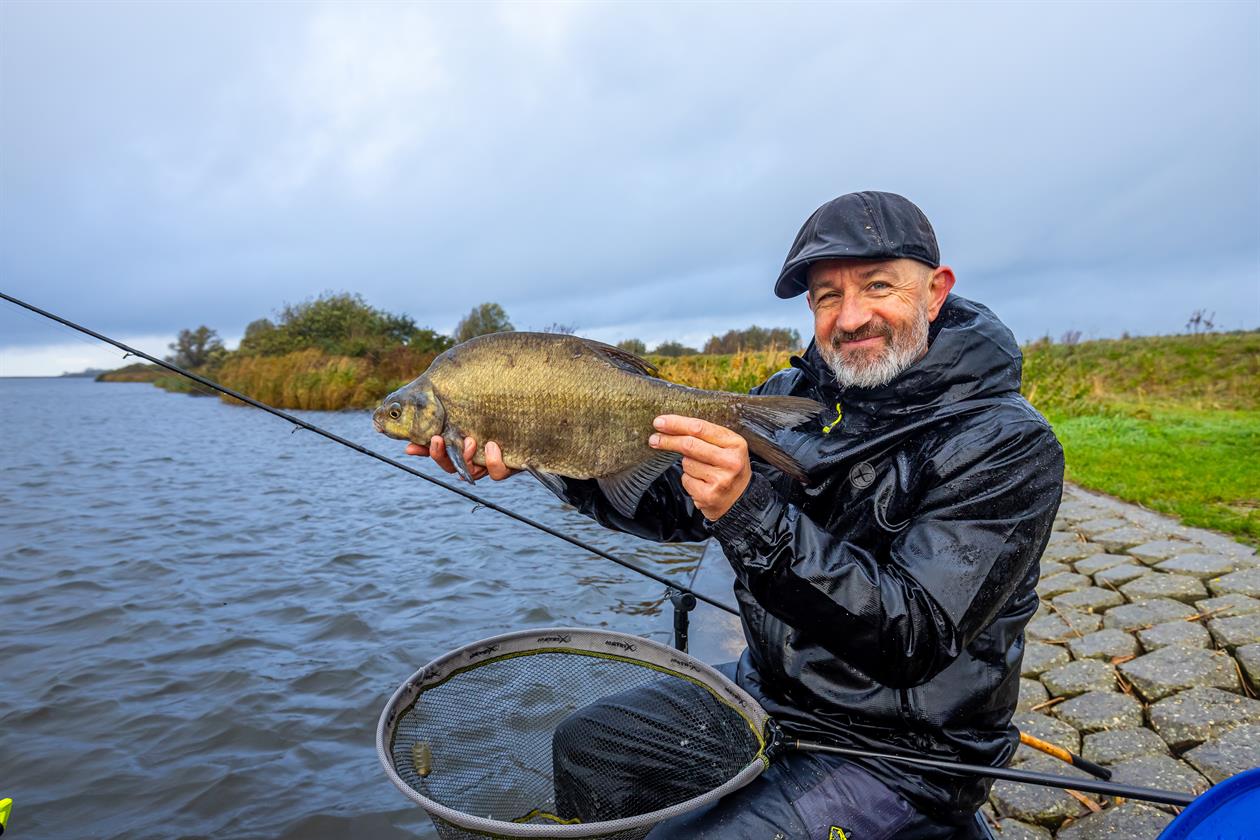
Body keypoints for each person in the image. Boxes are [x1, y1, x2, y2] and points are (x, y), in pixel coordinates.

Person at [407, 191, 1064, 839]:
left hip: (903, 755)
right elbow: (667, 508)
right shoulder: (790, 396)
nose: (852, 315)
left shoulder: (1005, 444)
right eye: (828, 296)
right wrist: (547, 454)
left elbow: (914, 637)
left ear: (935, 290)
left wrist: (748, 511)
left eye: (878, 286)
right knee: (588, 744)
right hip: (773, 695)